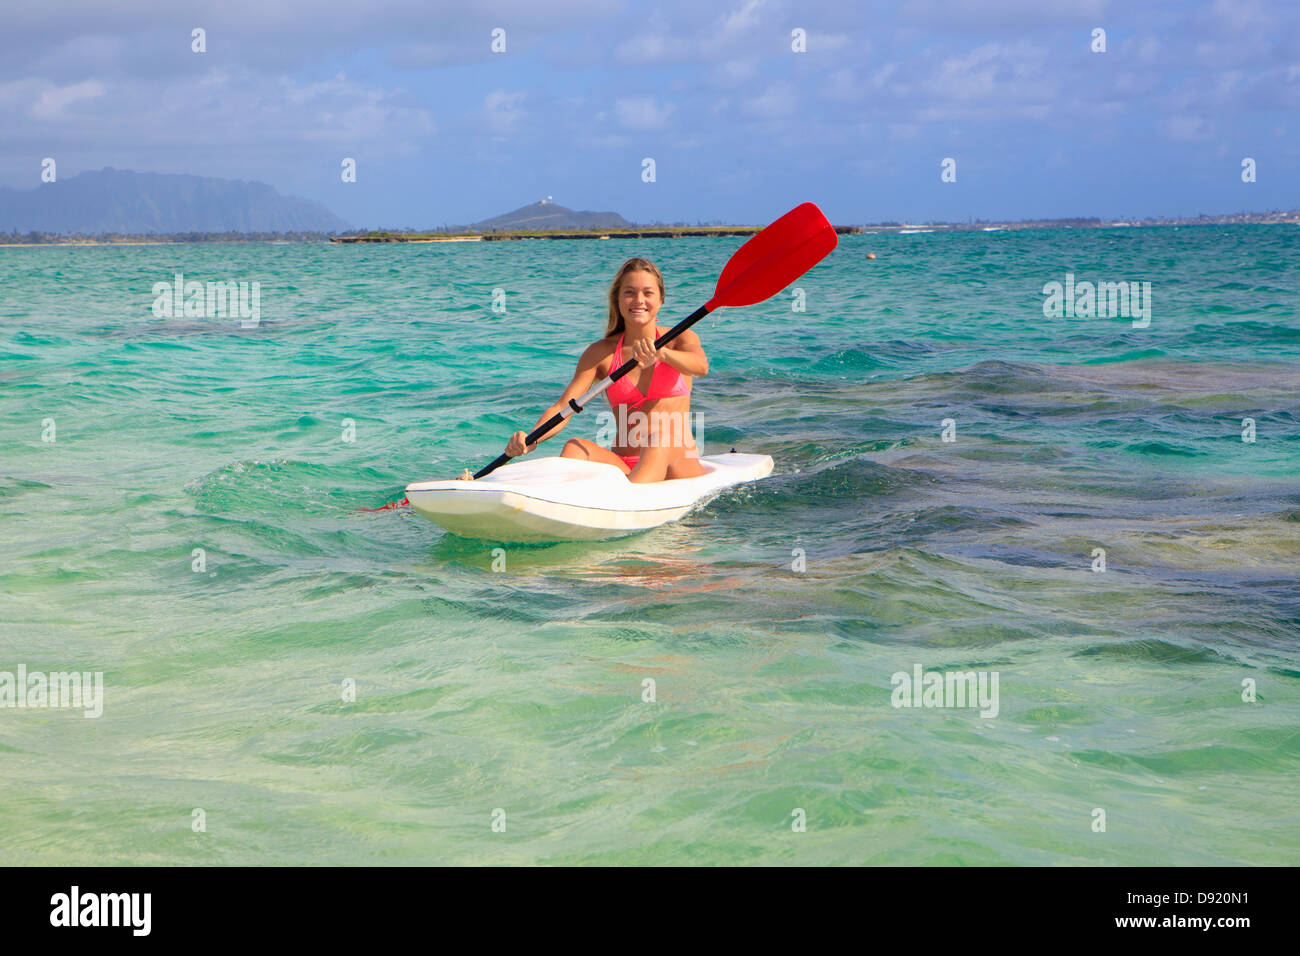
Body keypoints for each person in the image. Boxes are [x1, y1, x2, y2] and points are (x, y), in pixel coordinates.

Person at [477, 257, 707, 483]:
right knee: (574, 447)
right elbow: (562, 407)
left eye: (648, 293)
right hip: (624, 462)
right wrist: (532, 438)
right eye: (629, 292)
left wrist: (661, 354)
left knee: (660, 439)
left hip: (677, 461)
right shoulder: (601, 353)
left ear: (661, 300)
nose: (638, 300)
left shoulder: (679, 339)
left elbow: (700, 366)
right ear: (617, 300)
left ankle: (627, 505)